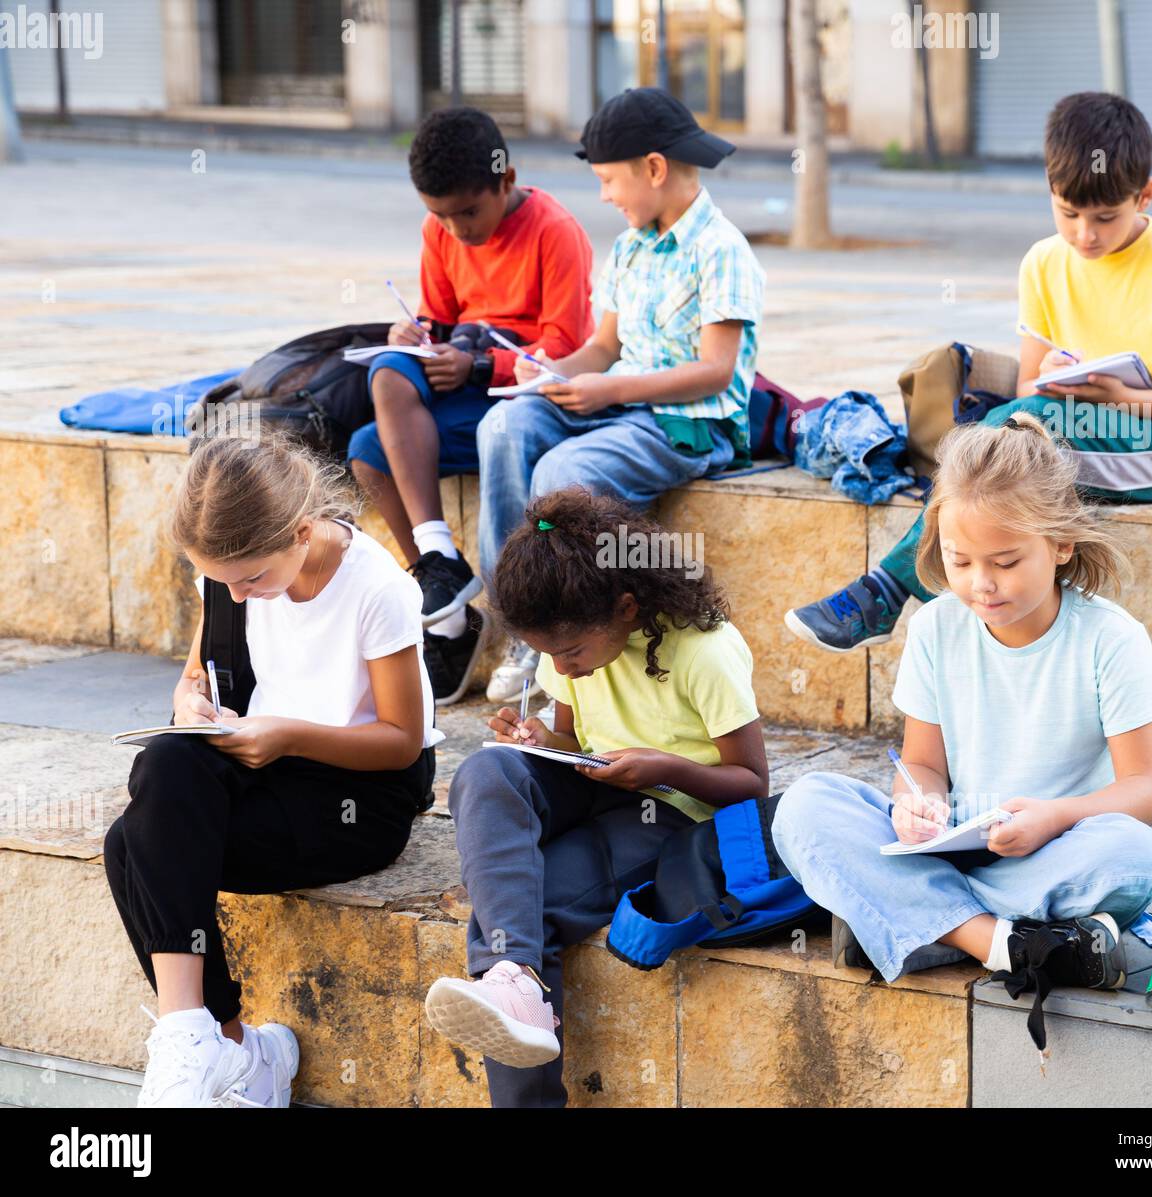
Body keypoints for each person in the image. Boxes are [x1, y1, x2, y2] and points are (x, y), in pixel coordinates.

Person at [773, 413, 1152, 1053]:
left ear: (1061, 545)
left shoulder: (1110, 638)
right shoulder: (935, 629)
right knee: (807, 805)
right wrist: (918, 804)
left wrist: (1050, 818)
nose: (981, 583)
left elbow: (1148, 792)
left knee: (1133, 856)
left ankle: (922, 924)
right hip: (958, 848)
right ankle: (1000, 942)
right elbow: (922, 765)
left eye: (1006, 562)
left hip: (1052, 853)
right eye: (960, 562)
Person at [787, 91, 1152, 653]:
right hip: (1067, 425)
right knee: (1011, 431)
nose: (1085, 235)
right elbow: (1027, 389)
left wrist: (1114, 394)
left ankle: (890, 588)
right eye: (1068, 214)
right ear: (1049, 190)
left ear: (1146, 195)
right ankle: (934, 595)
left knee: (1012, 431)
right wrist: (1053, 373)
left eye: (1105, 218)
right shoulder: (1043, 262)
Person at [104, 433, 437, 1107]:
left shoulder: (378, 589)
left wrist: (285, 735)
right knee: (161, 771)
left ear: (301, 531)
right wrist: (189, 699)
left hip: (359, 792)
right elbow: (198, 672)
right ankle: (204, 1038)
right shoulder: (230, 573)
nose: (238, 593)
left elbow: (403, 742)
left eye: (251, 578)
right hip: (267, 761)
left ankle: (228, 1048)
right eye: (223, 580)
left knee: (134, 847)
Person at [424, 487, 768, 1106]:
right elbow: (570, 735)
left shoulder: (703, 650)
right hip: (595, 782)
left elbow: (750, 784)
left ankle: (513, 979)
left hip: (670, 811)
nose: (565, 667)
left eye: (571, 652)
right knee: (485, 770)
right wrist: (536, 740)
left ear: (628, 606)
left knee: (521, 911)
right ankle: (518, 981)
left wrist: (664, 768)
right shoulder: (572, 640)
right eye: (550, 655)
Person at [474, 87, 765, 706]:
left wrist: (608, 388)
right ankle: (515, 611)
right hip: (616, 404)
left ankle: (559, 623)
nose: (604, 196)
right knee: (504, 425)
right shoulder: (631, 247)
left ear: (654, 169)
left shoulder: (721, 250)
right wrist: (549, 371)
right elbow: (602, 348)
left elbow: (715, 371)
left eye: (609, 180)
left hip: (683, 423)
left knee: (563, 472)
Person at [347, 106, 593, 704]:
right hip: (459, 387)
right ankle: (441, 578)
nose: (455, 229)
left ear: (506, 181)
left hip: (522, 394)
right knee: (372, 421)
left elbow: (567, 346)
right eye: (439, 216)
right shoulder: (439, 233)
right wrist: (417, 334)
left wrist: (483, 364)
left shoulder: (554, 231)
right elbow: (440, 316)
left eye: (468, 212)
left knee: (371, 444)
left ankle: (465, 616)